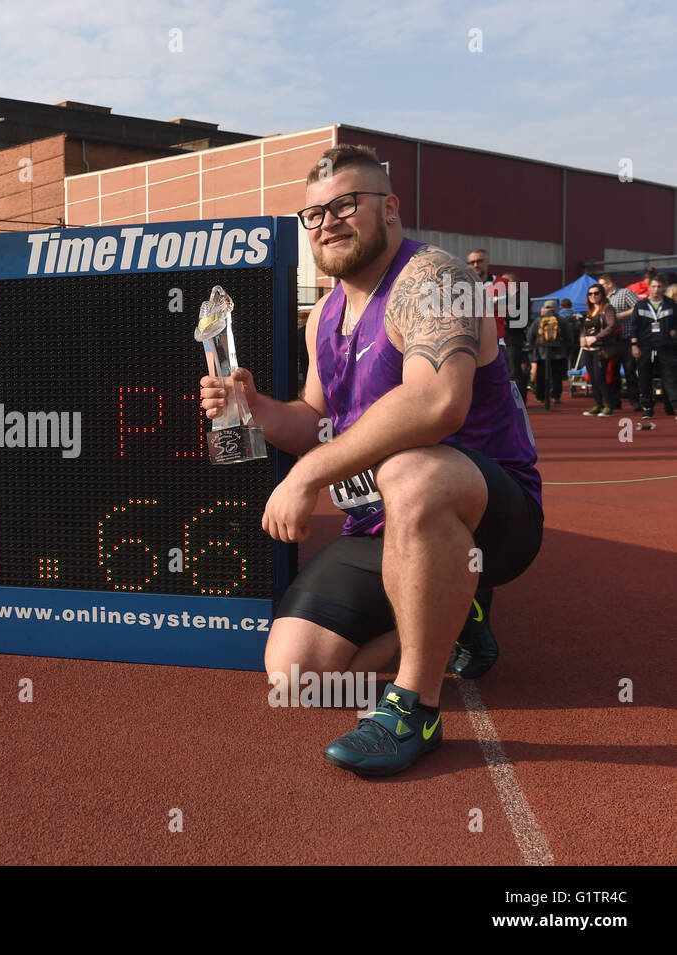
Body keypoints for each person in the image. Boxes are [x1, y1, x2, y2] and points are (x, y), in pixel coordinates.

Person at [200, 145, 542, 776]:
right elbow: (310, 421)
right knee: (298, 677)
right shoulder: (325, 315)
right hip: (378, 528)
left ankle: (415, 704)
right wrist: (253, 406)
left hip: (484, 513)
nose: (327, 221)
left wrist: (309, 474)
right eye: (314, 214)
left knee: (413, 471)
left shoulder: (435, 279)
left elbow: (437, 401)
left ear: (390, 209)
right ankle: (457, 614)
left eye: (344, 204)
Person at [631, 276, 677, 419]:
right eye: (654, 286)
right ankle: (648, 408)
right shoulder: (641, 305)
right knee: (644, 378)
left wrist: (674, 331)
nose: (656, 289)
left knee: (670, 378)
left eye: (659, 286)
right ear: (649, 288)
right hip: (645, 347)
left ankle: (673, 406)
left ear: (664, 288)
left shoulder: (671, 304)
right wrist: (634, 345)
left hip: (666, 347)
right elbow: (634, 327)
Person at [600, 274, 640, 410]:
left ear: (609, 284)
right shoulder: (603, 300)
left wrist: (618, 316)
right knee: (613, 372)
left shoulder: (625, 293)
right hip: (612, 341)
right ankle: (615, 402)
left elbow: (638, 307)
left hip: (627, 338)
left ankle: (635, 402)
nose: (600, 288)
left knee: (630, 371)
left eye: (602, 284)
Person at [580, 283, 619, 415]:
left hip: (601, 349)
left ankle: (608, 405)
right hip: (588, 350)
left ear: (602, 294)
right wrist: (582, 338)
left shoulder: (607, 308)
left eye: (596, 293)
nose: (593, 296)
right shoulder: (590, 311)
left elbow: (611, 325)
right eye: (590, 294)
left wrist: (596, 338)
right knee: (592, 377)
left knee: (600, 377)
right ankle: (597, 404)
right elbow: (585, 328)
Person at [531, 300, 569, 407]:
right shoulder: (562, 320)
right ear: (556, 308)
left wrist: (535, 348)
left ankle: (540, 397)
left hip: (542, 352)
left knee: (541, 376)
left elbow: (530, 336)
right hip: (559, 353)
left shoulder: (538, 320)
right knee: (557, 376)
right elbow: (569, 336)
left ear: (545, 308)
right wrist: (567, 351)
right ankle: (556, 396)